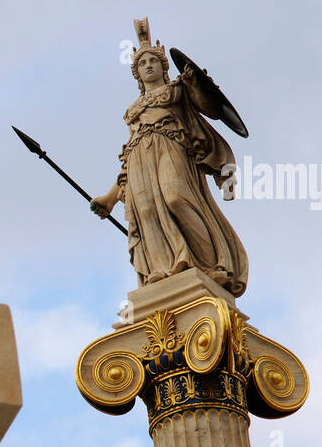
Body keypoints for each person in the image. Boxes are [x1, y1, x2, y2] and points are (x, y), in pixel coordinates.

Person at [88, 19, 249, 296]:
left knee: (176, 198)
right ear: (137, 74)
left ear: (164, 67)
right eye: (142, 63)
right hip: (140, 158)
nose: (148, 65)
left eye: (153, 61)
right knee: (147, 210)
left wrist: (194, 85)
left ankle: (212, 266)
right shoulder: (133, 110)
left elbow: (209, 107)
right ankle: (161, 270)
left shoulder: (176, 90)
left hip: (171, 146)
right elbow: (127, 159)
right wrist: (110, 198)